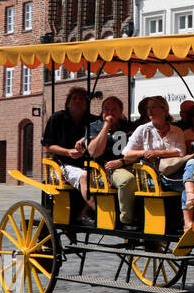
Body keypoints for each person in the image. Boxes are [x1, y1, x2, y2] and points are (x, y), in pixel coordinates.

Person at [108, 96, 185, 227]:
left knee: (190, 184)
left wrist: (158, 153)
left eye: (153, 107)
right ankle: (184, 221)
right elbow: (126, 153)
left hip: (172, 172)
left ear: (164, 109)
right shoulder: (143, 129)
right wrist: (144, 153)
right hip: (150, 176)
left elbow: (181, 152)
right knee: (186, 185)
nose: (149, 111)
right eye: (147, 108)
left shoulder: (176, 131)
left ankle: (185, 219)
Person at [41, 86, 96, 217]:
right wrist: (68, 152)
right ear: (68, 102)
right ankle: (96, 211)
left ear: (86, 104)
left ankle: (86, 211)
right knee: (85, 176)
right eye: (75, 98)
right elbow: (49, 146)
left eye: (81, 99)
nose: (78, 101)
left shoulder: (92, 120)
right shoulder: (57, 118)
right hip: (62, 164)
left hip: (88, 164)